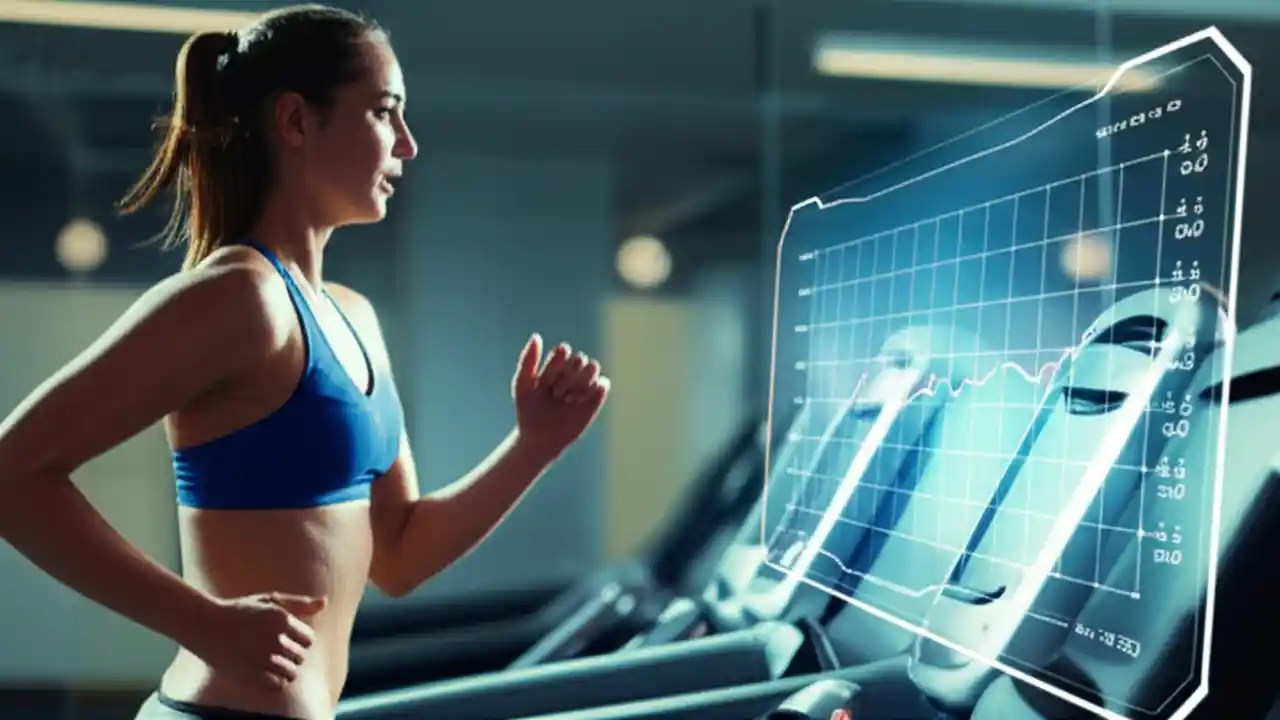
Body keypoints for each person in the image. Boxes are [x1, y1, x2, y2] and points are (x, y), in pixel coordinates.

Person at [0, 5, 609, 719]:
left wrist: (534, 446)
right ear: (295, 121)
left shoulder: (354, 316)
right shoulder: (239, 298)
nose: (407, 143)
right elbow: (13, 475)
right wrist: (203, 623)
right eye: (384, 111)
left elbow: (400, 556)